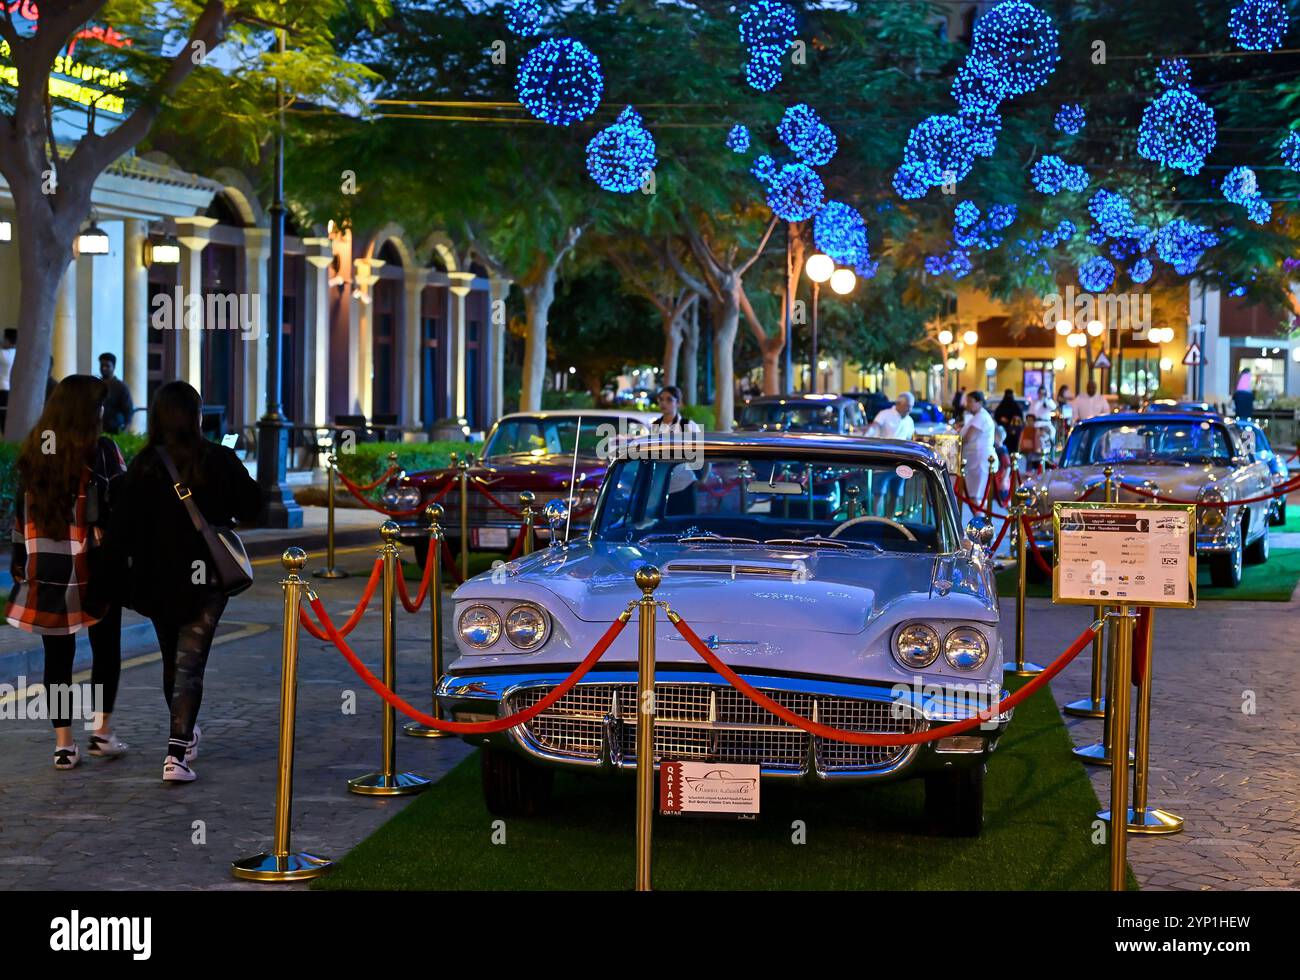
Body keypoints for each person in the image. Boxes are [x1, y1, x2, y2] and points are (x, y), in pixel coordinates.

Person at [107, 381, 261, 782]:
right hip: (204, 577)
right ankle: (177, 752)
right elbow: (255, 505)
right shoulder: (219, 460)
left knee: (172, 658)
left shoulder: (142, 466)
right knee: (191, 661)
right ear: (196, 416)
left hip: (155, 578)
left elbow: (120, 531)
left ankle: (183, 737)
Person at [7, 375, 128, 770]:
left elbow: (18, 514)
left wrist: (20, 561)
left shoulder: (37, 452)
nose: (103, 412)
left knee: (57, 656)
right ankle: (102, 731)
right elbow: (122, 510)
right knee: (105, 647)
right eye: (99, 405)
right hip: (95, 565)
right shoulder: (104, 452)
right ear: (88, 411)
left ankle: (64, 744)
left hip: (47, 564)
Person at [867, 392, 916, 514]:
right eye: (908, 406)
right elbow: (873, 428)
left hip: (901, 462)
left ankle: (890, 522)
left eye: (911, 406)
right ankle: (876, 522)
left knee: (896, 494)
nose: (910, 409)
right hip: (883, 461)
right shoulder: (885, 414)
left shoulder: (909, 420)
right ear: (899, 404)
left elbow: (910, 439)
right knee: (879, 493)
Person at [959, 390, 997, 522]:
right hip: (974, 459)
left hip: (978, 460)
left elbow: (968, 437)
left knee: (976, 496)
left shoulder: (981, 417)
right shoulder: (976, 417)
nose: (967, 404)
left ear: (979, 402)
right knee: (974, 496)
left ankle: (983, 528)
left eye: (970, 402)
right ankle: (980, 526)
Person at [98, 353, 135, 435]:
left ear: (113, 367)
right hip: (97, 430)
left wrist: (125, 431)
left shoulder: (121, 387)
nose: (104, 368)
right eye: (102, 366)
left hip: (115, 430)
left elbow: (128, 411)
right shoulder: (96, 385)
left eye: (107, 366)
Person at [1028, 385, 1057, 453]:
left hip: (1047, 423)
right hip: (1037, 423)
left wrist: (1046, 399)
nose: (1041, 395)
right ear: (1038, 393)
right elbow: (1030, 414)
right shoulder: (1034, 402)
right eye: (1040, 393)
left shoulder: (1048, 401)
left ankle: (1051, 450)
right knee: (1039, 437)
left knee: (1052, 432)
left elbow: (1053, 407)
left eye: (1043, 393)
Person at [993, 388, 1023, 453]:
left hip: (1013, 431)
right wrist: (1001, 419)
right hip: (1004, 431)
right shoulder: (1002, 405)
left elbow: (1020, 417)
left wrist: (1013, 419)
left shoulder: (1015, 406)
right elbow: (997, 415)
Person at [0, 328, 15, 430]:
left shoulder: (4, 355)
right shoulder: (15, 352)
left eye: (4, 339)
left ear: (8, 341)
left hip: (2, 390)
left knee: (3, 421)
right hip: (8, 389)